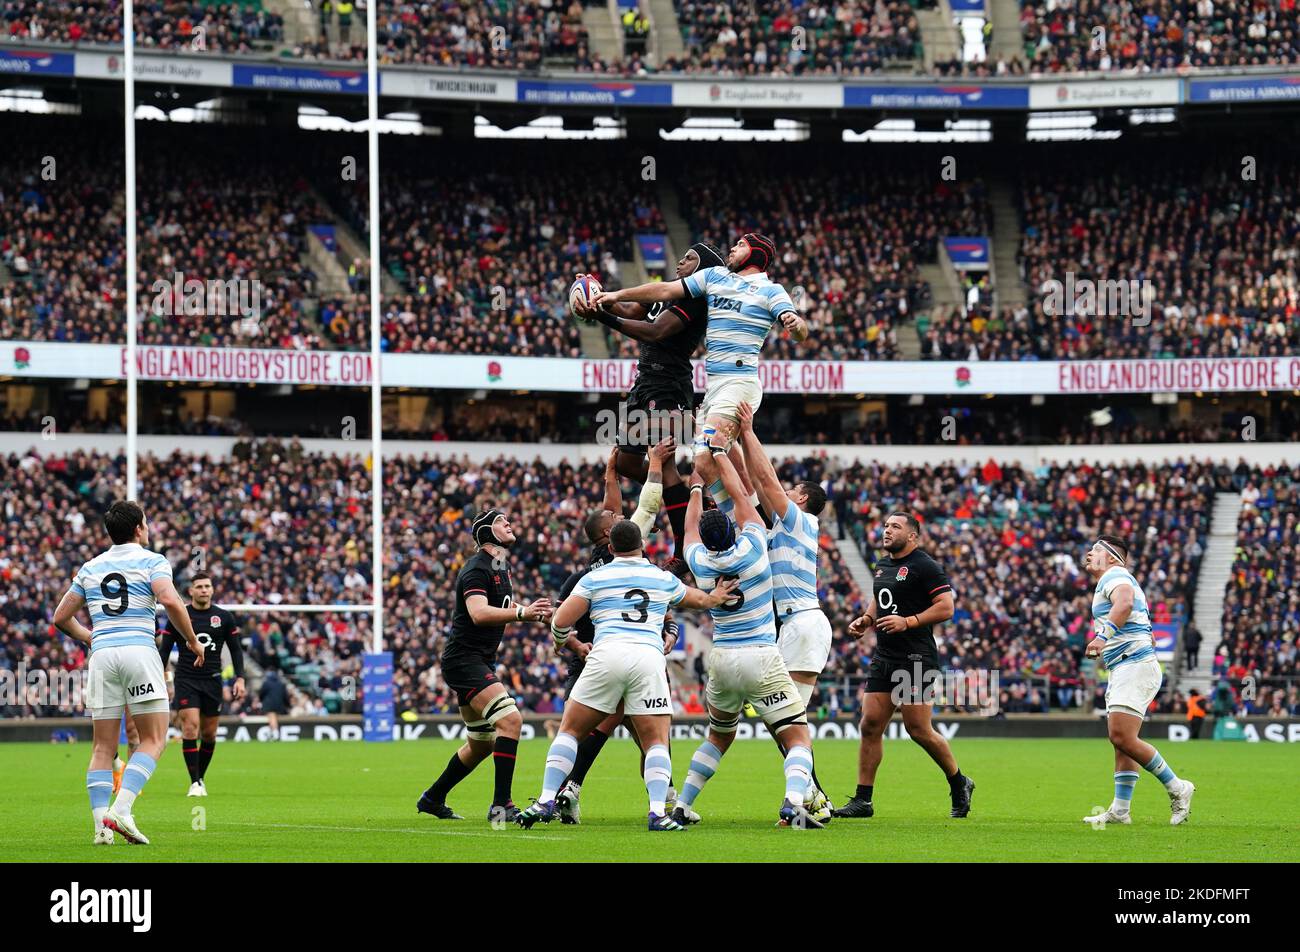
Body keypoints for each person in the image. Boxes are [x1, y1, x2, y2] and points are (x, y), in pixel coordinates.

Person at [516, 519, 736, 831]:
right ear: (642, 547)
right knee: (656, 740)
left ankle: (546, 798)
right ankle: (658, 813)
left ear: (610, 548)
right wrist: (716, 595)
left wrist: (560, 638)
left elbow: (561, 620)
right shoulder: (659, 577)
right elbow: (700, 601)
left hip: (606, 654)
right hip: (647, 657)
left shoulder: (596, 577)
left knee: (569, 732)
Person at [674, 443, 822, 829]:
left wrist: (694, 488)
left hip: (721, 659)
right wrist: (722, 452)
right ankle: (794, 803)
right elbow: (742, 497)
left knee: (718, 736)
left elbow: (689, 530)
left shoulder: (699, 562)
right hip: (760, 653)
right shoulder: (754, 548)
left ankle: (683, 803)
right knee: (797, 737)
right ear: (733, 529)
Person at [52, 500, 205, 845]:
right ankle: (122, 808)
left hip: (103, 655)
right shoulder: (153, 561)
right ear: (139, 528)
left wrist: (91, 637)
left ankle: (100, 830)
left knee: (102, 747)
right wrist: (192, 641)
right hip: (138, 649)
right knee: (155, 738)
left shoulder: (91, 566)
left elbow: (61, 617)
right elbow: (169, 600)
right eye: (146, 523)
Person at [592, 234, 809, 464]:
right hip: (706, 384)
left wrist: (796, 325)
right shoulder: (715, 278)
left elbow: (799, 328)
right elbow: (663, 291)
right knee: (692, 466)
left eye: (741, 245)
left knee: (703, 457)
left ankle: (750, 499)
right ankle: (741, 500)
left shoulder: (771, 290)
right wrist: (609, 295)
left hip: (731, 381)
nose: (733, 249)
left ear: (757, 254)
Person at [575, 243, 725, 556]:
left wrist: (600, 318)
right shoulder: (666, 293)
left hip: (669, 385)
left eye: (690, 257)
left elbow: (655, 331)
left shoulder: (695, 298)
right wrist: (598, 298)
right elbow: (631, 311)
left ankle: (685, 548)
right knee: (627, 461)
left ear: (703, 269)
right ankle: (684, 494)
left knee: (664, 463)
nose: (681, 259)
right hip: (644, 382)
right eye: (684, 254)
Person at [834, 511, 973, 820]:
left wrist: (908, 621)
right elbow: (880, 598)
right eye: (886, 526)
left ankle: (959, 781)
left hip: (916, 658)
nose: (887, 530)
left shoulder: (926, 566)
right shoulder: (883, 565)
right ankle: (863, 800)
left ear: (912, 536)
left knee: (918, 729)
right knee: (869, 724)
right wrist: (867, 619)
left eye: (895, 527)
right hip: (885, 656)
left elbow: (946, 607)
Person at [417, 509, 552, 824]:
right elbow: (478, 612)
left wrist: (534, 611)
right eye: (502, 521)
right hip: (465, 661)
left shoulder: (499, 566)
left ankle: (432, 797)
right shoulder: (477, 568)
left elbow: (502, 607)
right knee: (511, 722)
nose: (510, 523)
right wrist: (522, 615)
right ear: (488, 533)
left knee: (481, 745)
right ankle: (501, 806)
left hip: (475, 660)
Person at [1080, 535, 1195, 827]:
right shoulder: (1117, 577)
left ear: (1111, 557)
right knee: (1123, 743)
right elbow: (1138, 612)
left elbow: (1126, 602)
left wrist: (1101, 638)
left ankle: (1178, 787)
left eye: (1095, 550)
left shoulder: (1115, 574)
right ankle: (1120, 810)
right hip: (1128, 665)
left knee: (1121, 736)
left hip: (1134, 665)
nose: (1089, 554)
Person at [159, 571, 244, 796]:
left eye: (207, 586)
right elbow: (165, 651)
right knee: (190, 727)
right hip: (186, 679)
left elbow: (235, 650)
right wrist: (164, 679)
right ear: (191, 591)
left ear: (212, 590)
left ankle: (200, 779)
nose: (204, 590)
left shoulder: (224, 618)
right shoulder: (179, 615)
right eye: (199, 587)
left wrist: (240, 678)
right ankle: (194, 782)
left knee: (209, 734)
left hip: (213, 681)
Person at [259, 669, 287, 739]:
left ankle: (275, 734)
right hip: (279, 705)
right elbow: (285, 696)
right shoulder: (281, 684)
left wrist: (262, 701)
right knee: (274, 718)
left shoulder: (266, 683)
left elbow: (261, 694)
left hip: (269, 704)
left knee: (272, 717)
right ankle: (273, 733)